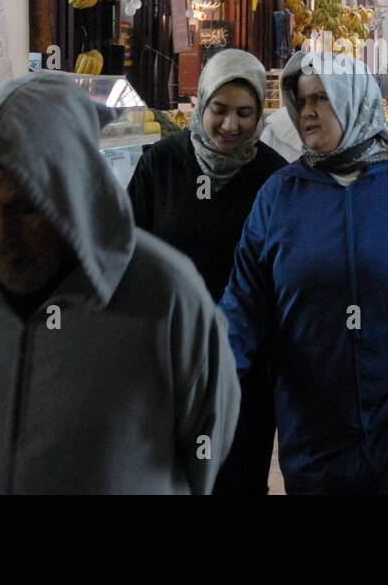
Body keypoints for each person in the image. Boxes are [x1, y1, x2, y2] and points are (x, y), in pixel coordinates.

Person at [0, 71, 239, 493]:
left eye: (24, 208)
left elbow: (205, 441)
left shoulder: (165, 295)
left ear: (71, 194)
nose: (1, 236)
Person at [219, 51, 388, 495]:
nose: (308, 111)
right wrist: (216, 370)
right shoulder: (280, 194)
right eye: (302, 100)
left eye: (322, 98)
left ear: (352, 100)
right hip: (311, 412)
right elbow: (244, 298)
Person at [128, 49, 287, 495]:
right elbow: (126, 254)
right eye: (219, 110)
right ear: (200, 105)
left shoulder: (274, 178)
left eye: (244, 112)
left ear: (259, 114)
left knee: (237, 479)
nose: (230, 125)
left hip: (245, 375)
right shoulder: (161, 164)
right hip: (169, 362)